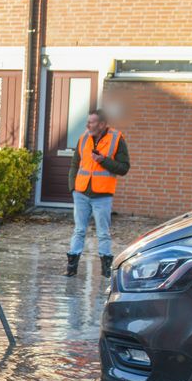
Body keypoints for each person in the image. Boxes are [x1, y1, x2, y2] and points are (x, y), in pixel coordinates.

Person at [66, 108, 129, 278]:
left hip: (102, 195)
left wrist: (104, 161)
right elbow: (74, 164)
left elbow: (124, 168)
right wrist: (73, 188)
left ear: (102, 124)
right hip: (81, 193)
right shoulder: (83, 138)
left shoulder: (117, 139)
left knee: (103, 232)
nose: (87, 125)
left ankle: (106, 270)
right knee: (79, 230)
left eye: (91, 122)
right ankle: (71, 269)